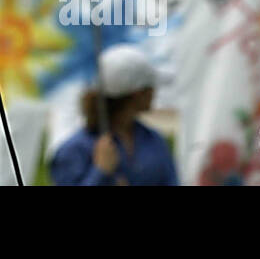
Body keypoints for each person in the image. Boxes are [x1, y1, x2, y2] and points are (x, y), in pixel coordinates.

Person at [50, 44, 178, 186]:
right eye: (149, 87)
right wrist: (101, 172)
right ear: (136, 94)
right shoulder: (74, 150)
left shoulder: (154, 140)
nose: (154, 92)